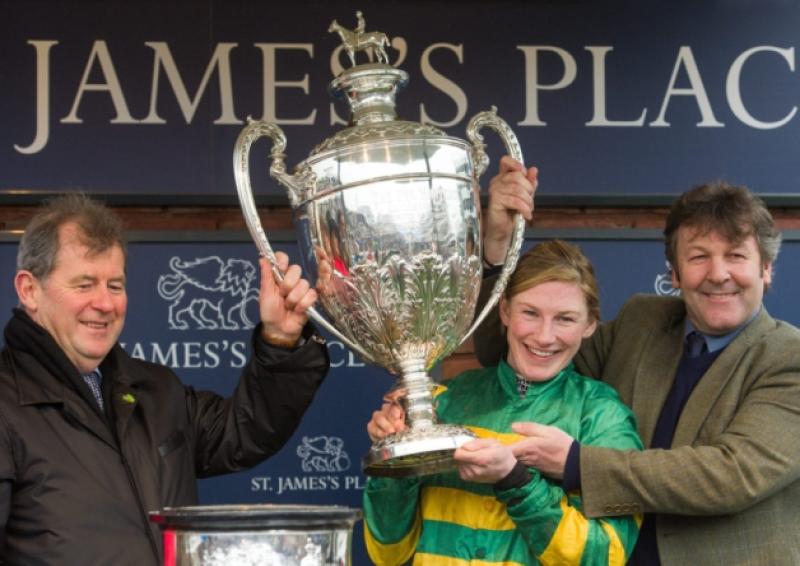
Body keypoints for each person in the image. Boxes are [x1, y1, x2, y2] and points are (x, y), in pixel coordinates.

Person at [476, 169, 800, 565]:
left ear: (766, 269)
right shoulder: (642, 320)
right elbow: (511, 352)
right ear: (675, 274)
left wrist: (577, 463)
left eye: (736, 255)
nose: (718, 274)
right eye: (699, 256)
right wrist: (497, 248)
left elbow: (733, 476)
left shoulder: (790, 357)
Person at [0, 193, 330, 565]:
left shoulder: (155, 390)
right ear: (29, 290)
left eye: (115, 285)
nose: (105, 303)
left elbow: (244, 432)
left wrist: (281, 340)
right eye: (84, 284)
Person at [362, 240, 643, 565]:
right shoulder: (444, 401)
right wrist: (395, 461)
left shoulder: (604, 416)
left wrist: (516, 480)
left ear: (590, 324)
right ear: (505, 310)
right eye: (530, 313)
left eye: (565, 319)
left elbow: (606, 556)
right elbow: (388, 553)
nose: (544, 336)